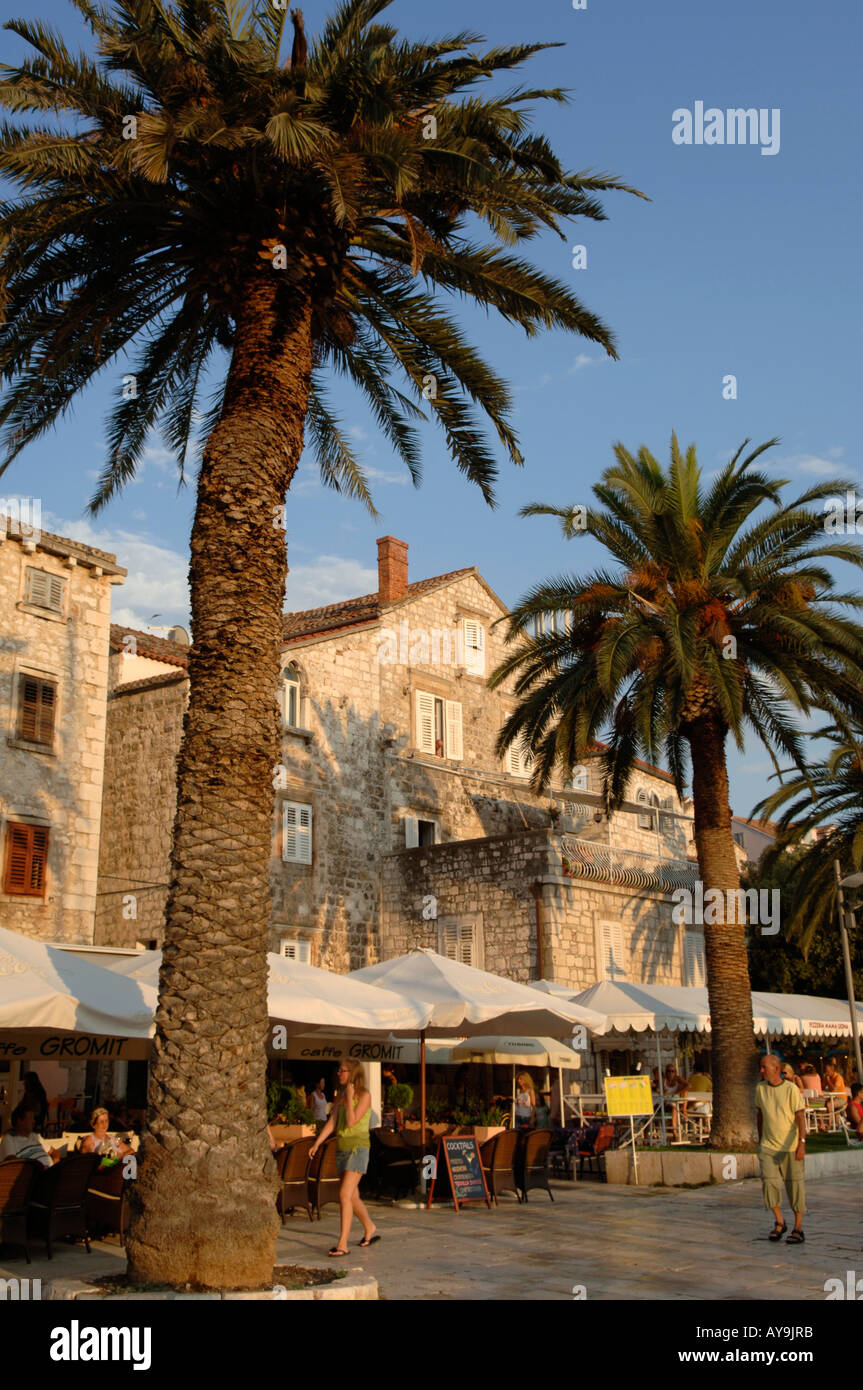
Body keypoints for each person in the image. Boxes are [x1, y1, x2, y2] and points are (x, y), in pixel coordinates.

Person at [309, 1058, 377, 1257]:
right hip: (342, 1149)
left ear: (352, 1073)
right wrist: (317, 1142)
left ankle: (342, 1244)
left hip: (358, 1148)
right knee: (352, 1196)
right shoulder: (339, 1096)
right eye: (338, 1071)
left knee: (344, 1195)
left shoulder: (364, 1095)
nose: (338, 1074)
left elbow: (352, 1121)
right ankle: (370, 1226)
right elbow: (333, 1122)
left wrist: (349, 1096)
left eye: (342, 1071)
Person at [755, 1052, 806, 1245]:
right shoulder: (760, 1089)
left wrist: (801, 1143)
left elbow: (800, 1117)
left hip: (790, 1146)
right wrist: (760, 1141)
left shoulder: (791, 1089)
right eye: (761, 1067)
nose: (761, 1071)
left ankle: (798, 1227)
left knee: (795, 1186)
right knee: (769, 1184)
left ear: (776, 1069)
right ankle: (779, 1221)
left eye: (764, 1067)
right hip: (768, 1146)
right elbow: (760, 1115)